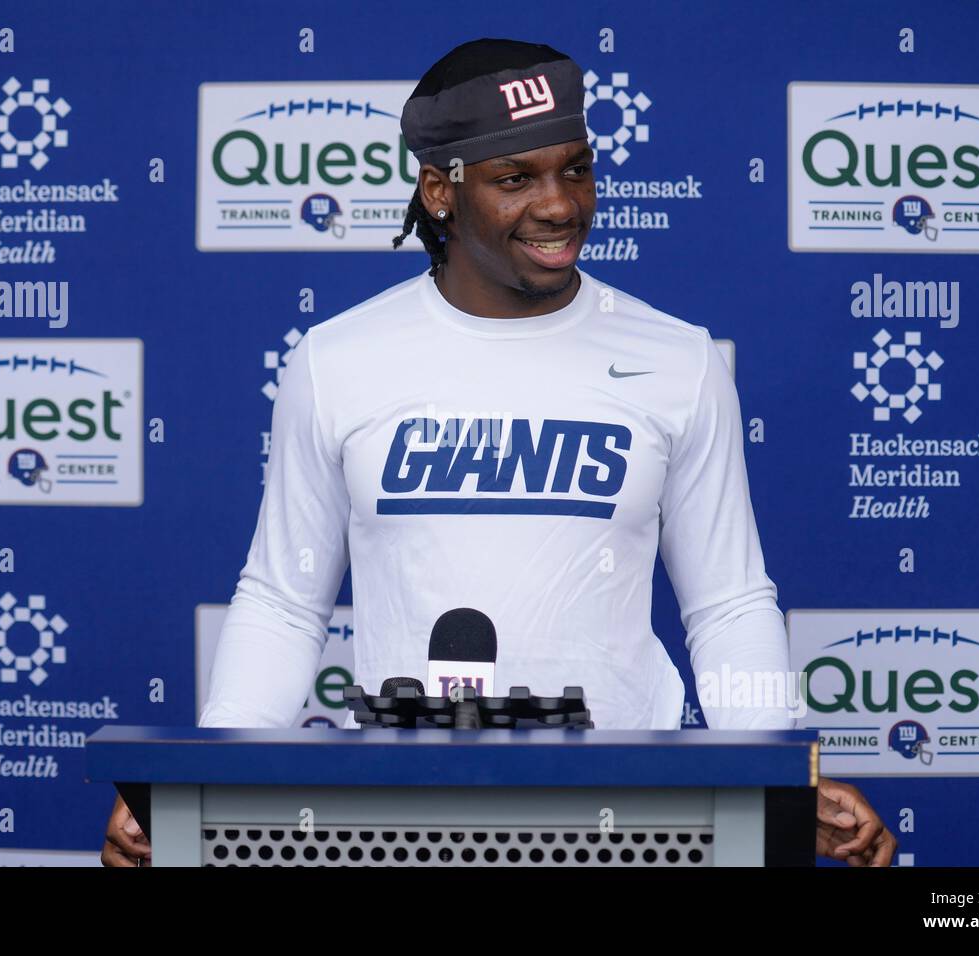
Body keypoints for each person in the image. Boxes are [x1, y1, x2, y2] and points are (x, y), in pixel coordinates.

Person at [102, 38, 896, 867]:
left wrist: (779, 782)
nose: (560, 206)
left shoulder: (679, 360)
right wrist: (208, 790)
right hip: (395, 828)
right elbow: (283, 600)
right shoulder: (338, 360)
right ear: (440, 190)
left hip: (630, 825)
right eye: (516, 178)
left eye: (576, 169)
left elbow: (728, 604)